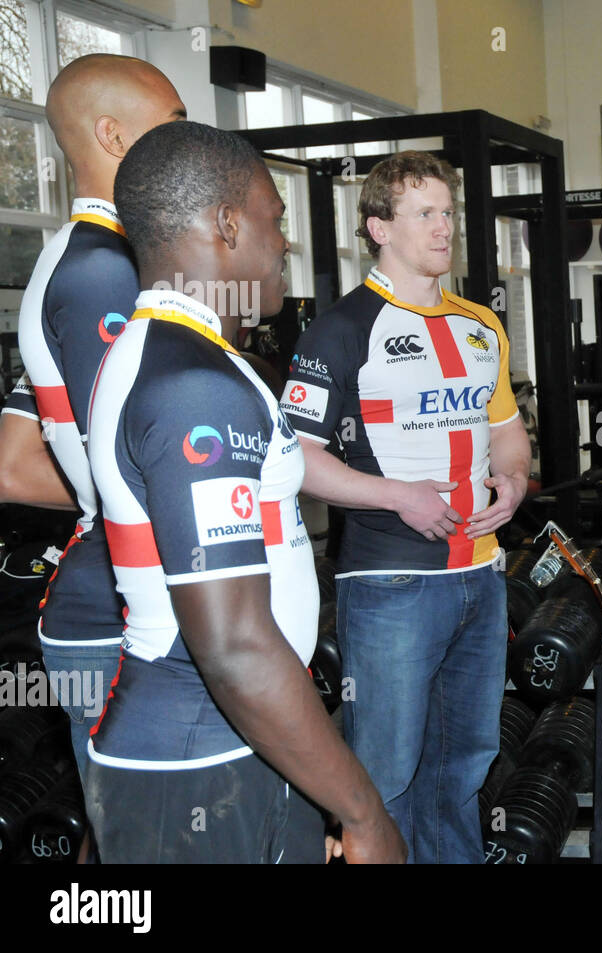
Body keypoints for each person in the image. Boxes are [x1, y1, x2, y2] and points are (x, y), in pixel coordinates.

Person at [85, 120, 404, 864]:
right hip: (204, 764)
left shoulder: (164, 355)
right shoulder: (195, 384)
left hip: (226, 749)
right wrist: (362, 811)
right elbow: (231, 645)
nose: (284, 241)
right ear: (228, 223)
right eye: (276, 215)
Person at [280, 150, 531, 864]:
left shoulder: (481, 324)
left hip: (480, 577)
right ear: (379, 226)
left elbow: (508, 437)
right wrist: (397, 495)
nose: (444, 227)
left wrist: (512, 484)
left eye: (448, 212)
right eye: (425, 213)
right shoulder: (340, 330)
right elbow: (295, 460)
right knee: (382, 778)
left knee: (463, 768)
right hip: (391, 582)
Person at [0, 55, 186, 792]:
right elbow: (135, 450)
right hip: (127, 602)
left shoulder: (98, 262)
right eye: (173, 125)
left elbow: (17, 461)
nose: (187, 141)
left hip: (117, 585)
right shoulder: (103, 270)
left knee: (137, 825)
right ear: (113, 135)